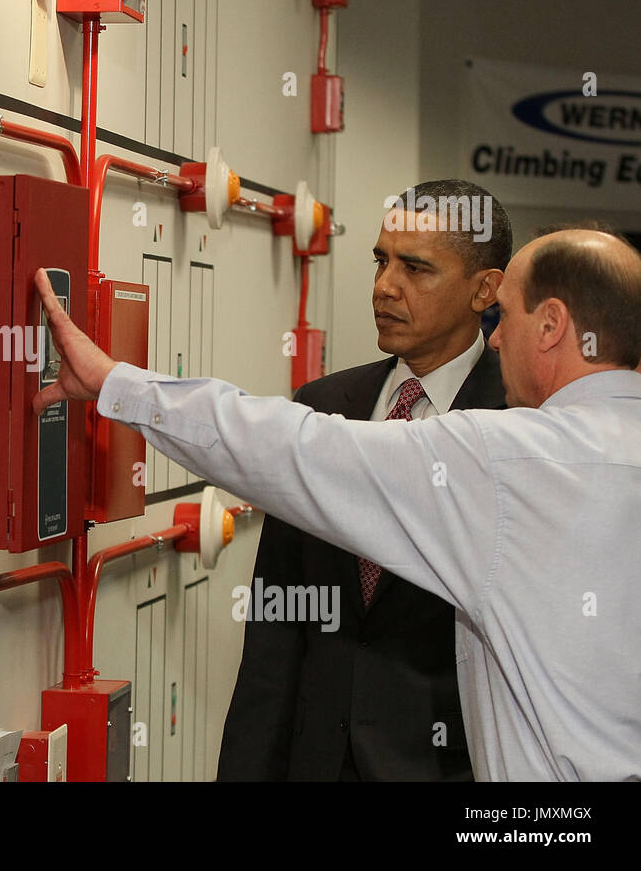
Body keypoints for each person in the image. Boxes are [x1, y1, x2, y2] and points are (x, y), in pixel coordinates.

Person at [32, 228, 641, 780]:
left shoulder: (509, 460)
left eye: (506, 315)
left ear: (553, 324)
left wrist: (116, 384)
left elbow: (295, 450)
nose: (497, 335)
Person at [218, 180, 510, 782]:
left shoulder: (519, 425)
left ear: (484, 289)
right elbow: (276, 630)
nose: (384, 287)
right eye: (380, 261)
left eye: (415, 267)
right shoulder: (324, 406)